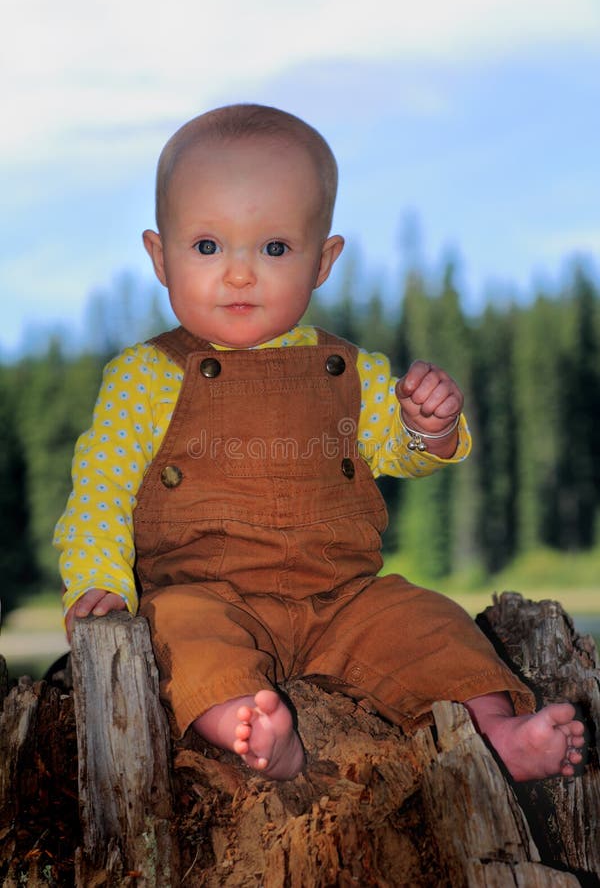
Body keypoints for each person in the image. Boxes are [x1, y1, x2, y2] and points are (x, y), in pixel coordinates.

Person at [54, 103, 585, 782]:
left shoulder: (351, 370)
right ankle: (249, 730)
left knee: (428, 622)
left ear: (323, 261)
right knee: (178, 634)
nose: (240, 273)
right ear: (160, 256)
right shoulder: (147, 374)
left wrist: (428, 426)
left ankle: (497, 731)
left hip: (344, 597)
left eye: (274, 248)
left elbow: (397, 451)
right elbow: (101, 491)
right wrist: (98, 579)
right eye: (208, 247)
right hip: (206, 590)